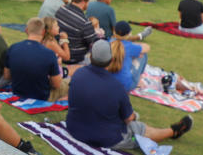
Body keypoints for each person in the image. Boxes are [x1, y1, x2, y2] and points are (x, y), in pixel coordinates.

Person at [64, 40, 192, 149]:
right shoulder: (116, 87)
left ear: (91, 56)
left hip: (74, 127)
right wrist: (134, 116)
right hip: (104, 137)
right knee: (139, 128)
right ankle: (172, 132)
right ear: (110, 60)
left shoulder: (78, 74)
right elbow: (129, 118)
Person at [1, 18, 64, 101]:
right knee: (72, 83)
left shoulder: (13, 48)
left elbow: (7, 76)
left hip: (18, 92)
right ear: (43, 32)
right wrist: (58, 64)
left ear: (26, 30)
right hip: (41, 96)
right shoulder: (49, 54)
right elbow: (56, 84)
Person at [56, 0, 98, 66]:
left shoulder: (61, 9)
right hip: (76, 58)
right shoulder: (84, 22)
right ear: (83, 2)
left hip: (60, 52)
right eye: (88, 1)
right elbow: (94, 42)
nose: (88, 4)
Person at [112, 22, 149, 91]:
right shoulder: (129, 46)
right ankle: (139, 81)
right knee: (143, 54)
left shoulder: (110, 42)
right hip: (125, 86)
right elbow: (147, 48)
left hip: (108, 81)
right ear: (129, 33)